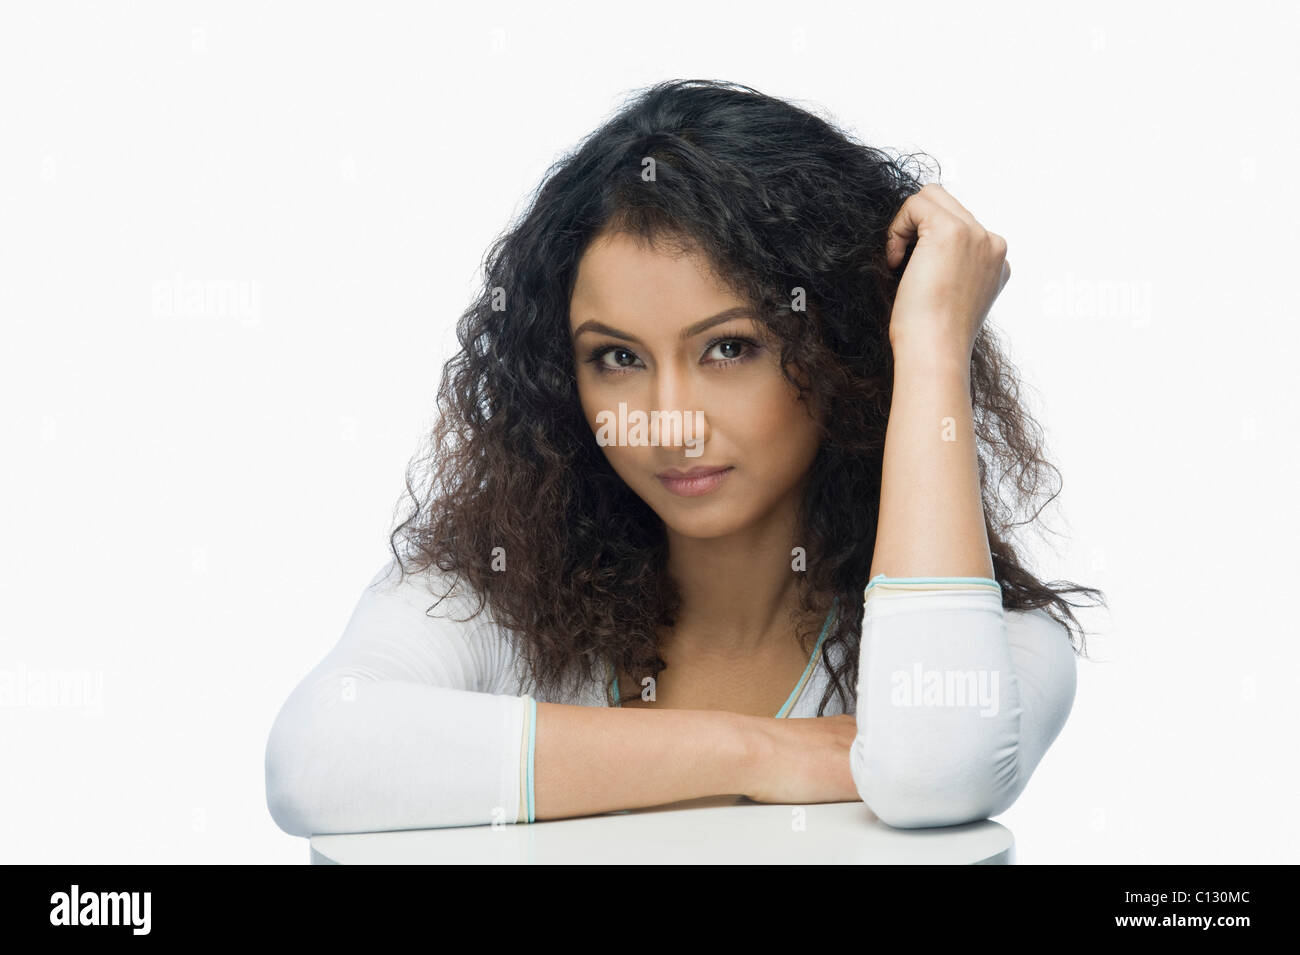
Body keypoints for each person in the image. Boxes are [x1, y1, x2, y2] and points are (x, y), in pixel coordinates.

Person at [265, 78, 1104, 838]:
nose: (666, 425)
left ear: (845, 348)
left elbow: (935, 770)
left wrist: (927, 346)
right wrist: (758, 752)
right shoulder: (492, 598)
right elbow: (315, 755)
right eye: (618, 358)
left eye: (730, 347)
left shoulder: (1000, 646)